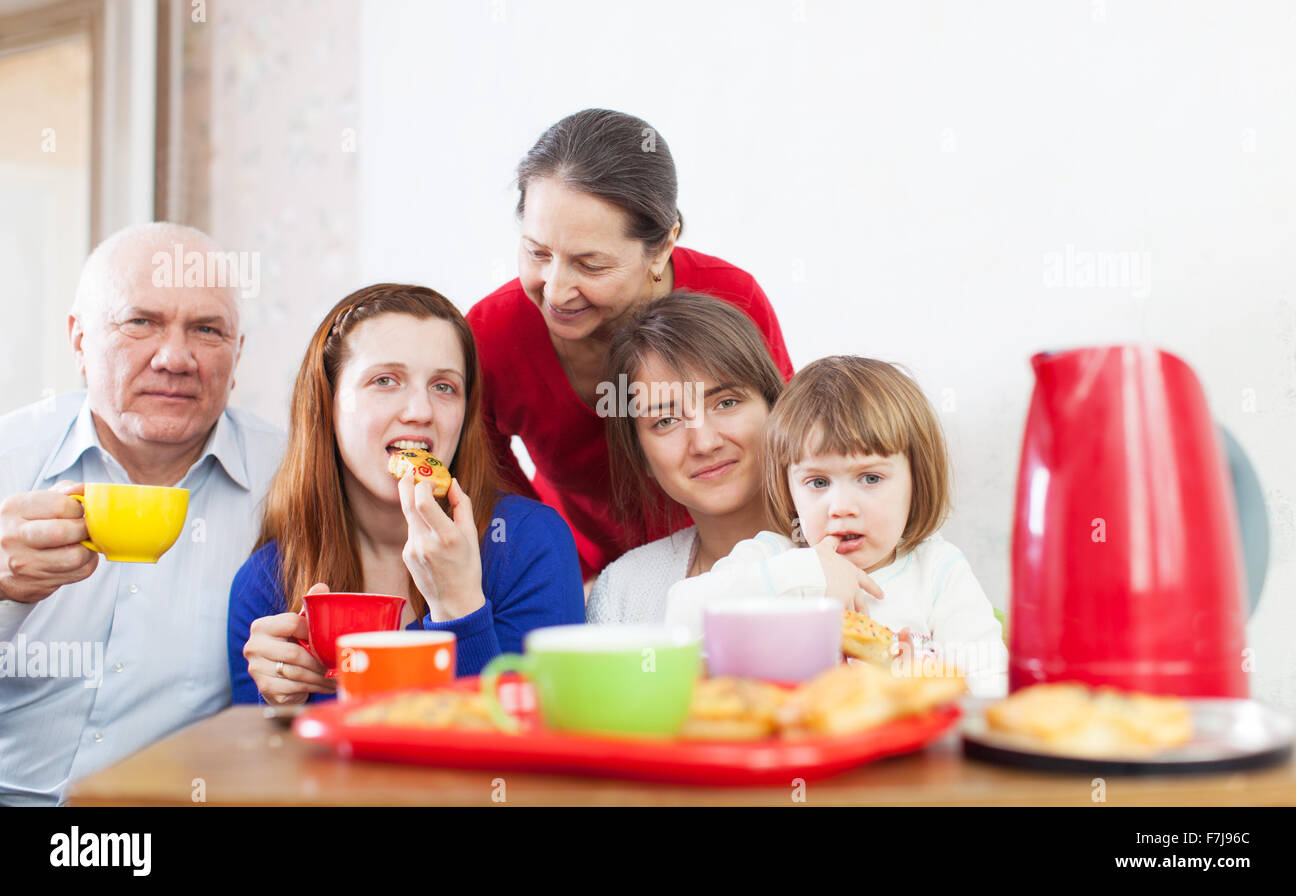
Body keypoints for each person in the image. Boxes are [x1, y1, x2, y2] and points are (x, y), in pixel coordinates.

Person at [0, 222, 284, 805]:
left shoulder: (292, 480)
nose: (175, 358)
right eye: (140, 322)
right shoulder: (9, 457)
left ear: (237, 355)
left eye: (207, 330)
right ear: (79, 340)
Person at [466, 109, 794, 580]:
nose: (555, 292)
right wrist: (556, 580)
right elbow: (489, 486)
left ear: (661, 248)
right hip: (586, 580)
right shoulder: (491, 334)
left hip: (739, 565)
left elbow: (792, 442)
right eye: (537, 253)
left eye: (591, 265)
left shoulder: (733, 298)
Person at [228, 284, 585, 705]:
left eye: (444, 386)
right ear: (327, 404)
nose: (420, 411)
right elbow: (265, 766)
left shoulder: (529, 545)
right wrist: (281, 713)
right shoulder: (266, 581)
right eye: (385, 380)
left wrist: (459, 606)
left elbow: (529, 752)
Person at [664, 356, 1008, 697]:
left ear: (916, 481)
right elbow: (680, 618)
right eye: (817, 483)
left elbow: (989, 682)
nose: (841, 508)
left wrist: (917, 682)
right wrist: (805, 573)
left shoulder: (936, 569)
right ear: (788, 488)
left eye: (870, 478)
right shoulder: (775, 557)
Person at [586, 292, 790, 623]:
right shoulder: (621, 591)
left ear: (774, 409)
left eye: (726, 403)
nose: (705, 443)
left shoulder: (859, 546)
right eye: (665, 421)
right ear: (642, 456)